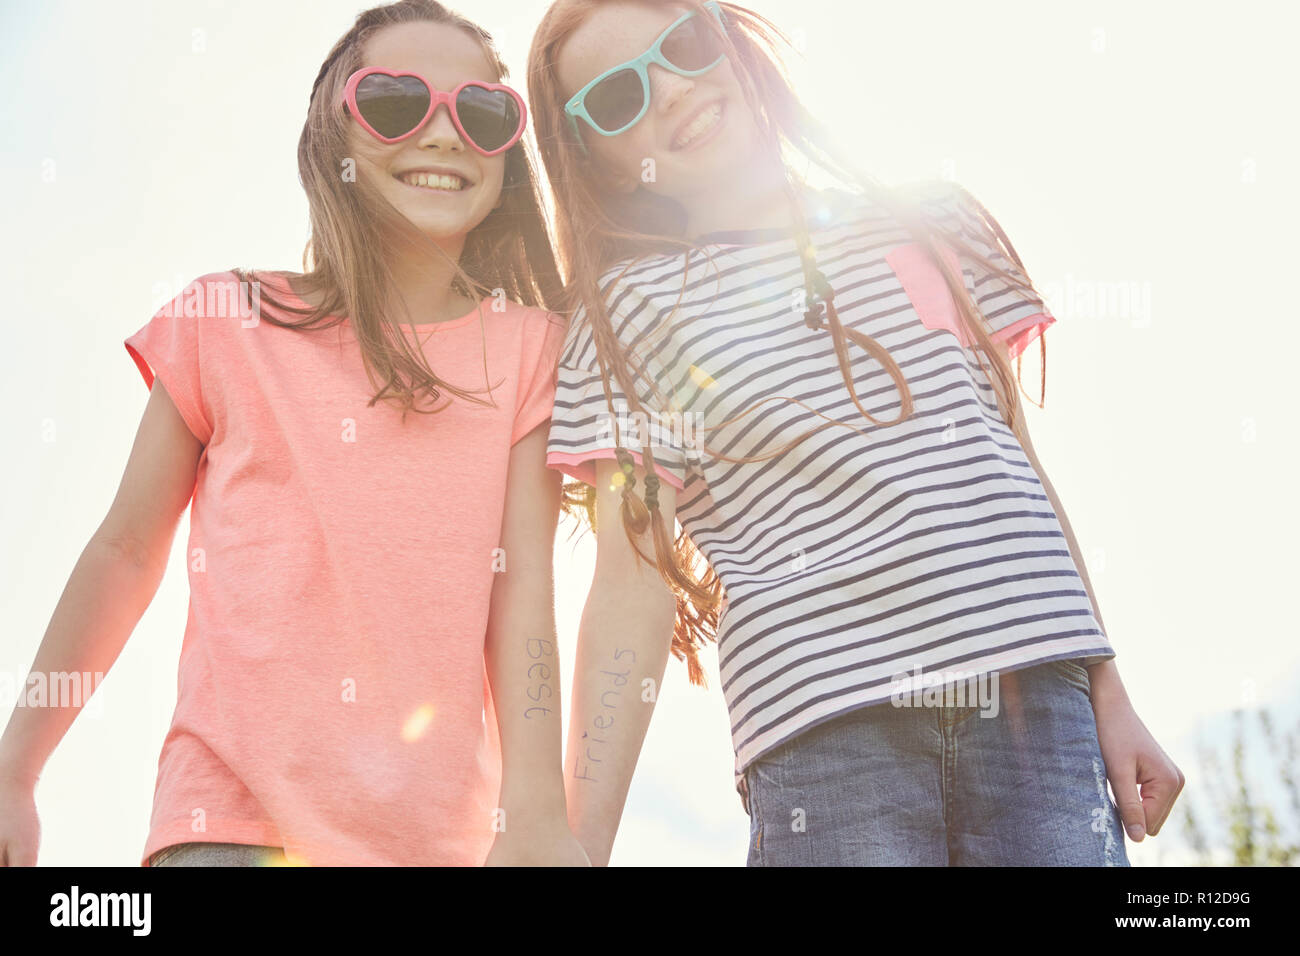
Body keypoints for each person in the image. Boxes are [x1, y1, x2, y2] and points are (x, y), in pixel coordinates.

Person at [527, 0, 1183, 865]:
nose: (672, 90)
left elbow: (1015, 466)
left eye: (683, 47)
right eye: (617, 98)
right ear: (594, 159)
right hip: (825, 733)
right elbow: (631, 583)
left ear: (728, 42)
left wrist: (1108, 686)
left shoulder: (936, 223)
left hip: (1037, 711)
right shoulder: (629, 317)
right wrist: (580, 843)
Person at [0, 0, 588, 867]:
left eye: (482, 111)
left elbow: (524, 594)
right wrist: (18, 770)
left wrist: (538, 814)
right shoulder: (223, 321)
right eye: (395, 101)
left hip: (439, 849)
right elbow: (126, 551)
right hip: (230, 828)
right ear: (331, 138)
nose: (442, 133)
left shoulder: (532, 350)